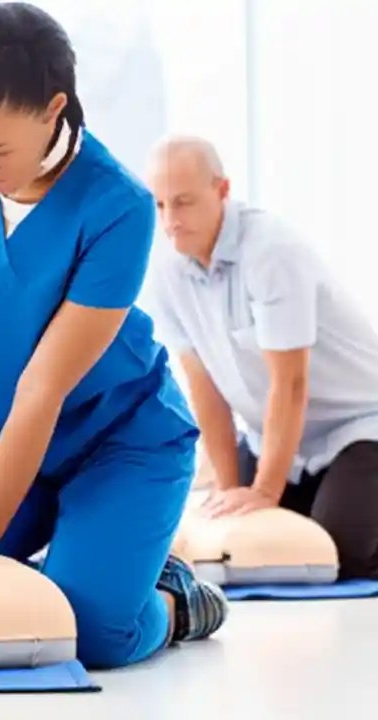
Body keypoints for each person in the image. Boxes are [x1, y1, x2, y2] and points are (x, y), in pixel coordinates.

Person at [0, 2, 227, 670]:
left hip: (123, 441)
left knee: (89, 634)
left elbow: (43, 385)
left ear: (53, 108)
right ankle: (84, 560)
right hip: (5, 436)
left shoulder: (117, 204)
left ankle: (177, 600)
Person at [143, 135, 378, 579]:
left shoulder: (271, 252)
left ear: (223, 190)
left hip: (358, 426)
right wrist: (234, 493)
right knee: (249, 542)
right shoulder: (166, 272)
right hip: (277, 437)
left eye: (184, 202)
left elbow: (290, 383)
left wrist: (266, 491)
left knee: (338, 554)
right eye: (159, 205)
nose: (171, 221)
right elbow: (205, 391)